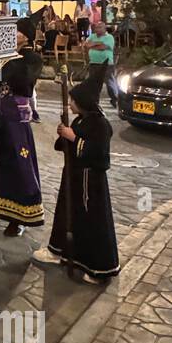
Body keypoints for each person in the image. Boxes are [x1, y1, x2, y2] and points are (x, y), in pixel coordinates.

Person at [34, 79, 120, 283]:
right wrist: (63, 135)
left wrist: (73, 138)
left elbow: (99, 154)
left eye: (73, 100)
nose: (69, 103)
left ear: (83, 101)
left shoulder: (100, 124)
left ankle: (97, 268)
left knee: (92, 222)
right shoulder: (80, 120)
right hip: (72, 177)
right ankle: (61, 252)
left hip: (90, 184)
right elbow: (65, 146)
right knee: (67, 214)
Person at [0, 39, 44, 237]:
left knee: (19, 166)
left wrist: (11, 59)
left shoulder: (33, 59)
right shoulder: (2, 55)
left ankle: (20, 217)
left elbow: (23, 81)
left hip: (17, 122)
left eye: (18, 30)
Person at [85, 21, 119, 109]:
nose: (97, 29)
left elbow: (104, 47)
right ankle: (94, 101)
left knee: (110, 83)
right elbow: (86, 45)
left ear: (104, 29)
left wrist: (93, 45)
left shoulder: (109, 37)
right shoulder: (92, 36)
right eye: (96, 27)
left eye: (100, 27)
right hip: (94, 63)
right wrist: (98, 44)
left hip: (106, 63)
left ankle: (115, 99)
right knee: (94, 83)